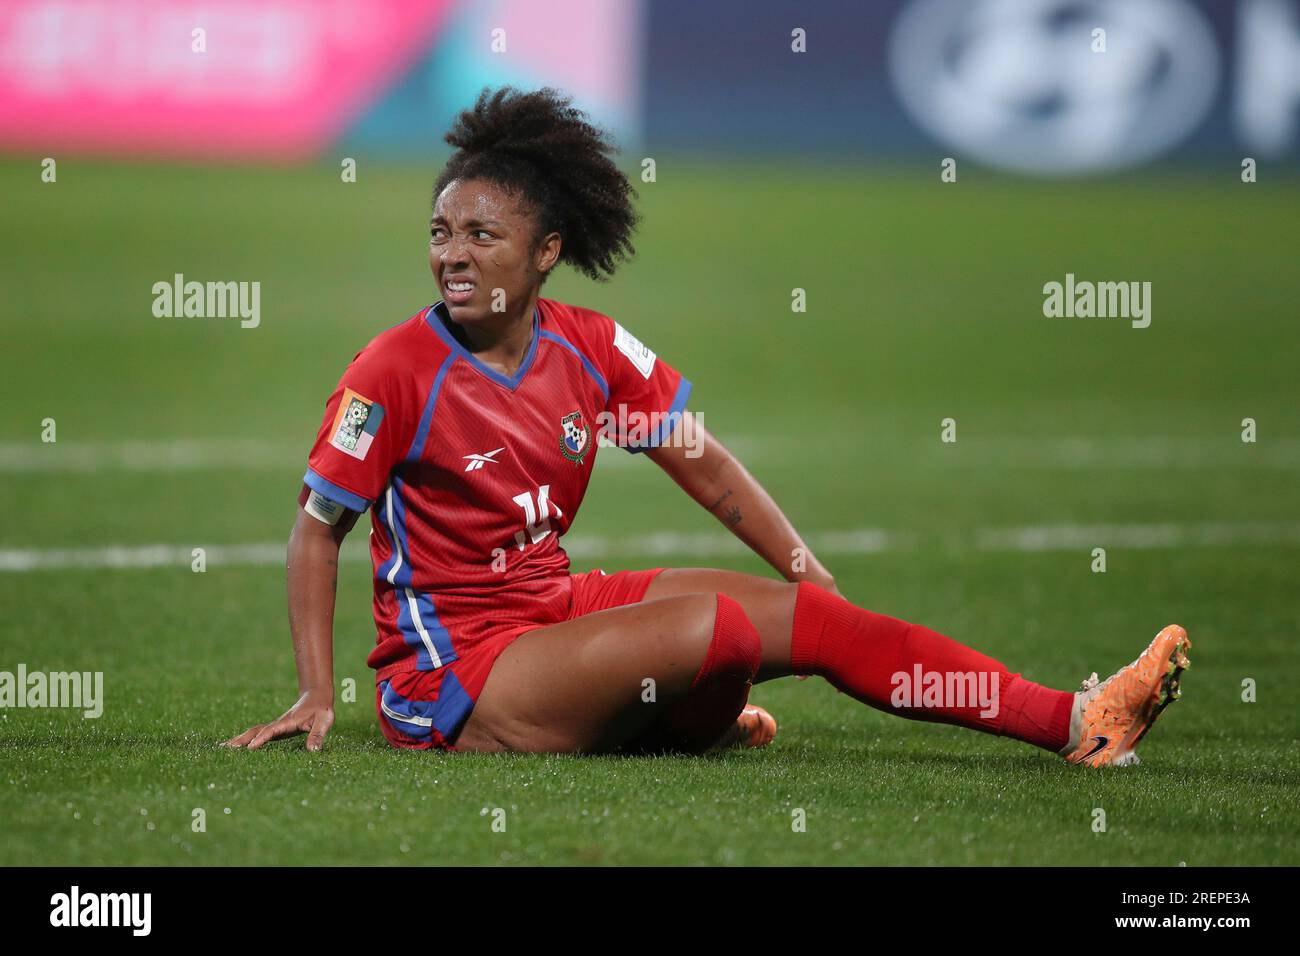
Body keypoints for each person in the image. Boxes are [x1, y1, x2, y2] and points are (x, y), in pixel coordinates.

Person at [224, 88, 1190, 765]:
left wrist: (810, 577)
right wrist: (317, 691)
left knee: (805, 620)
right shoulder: (393, 368)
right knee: (715, 631)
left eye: (482, 235)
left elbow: (705, 465)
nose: (453, 255)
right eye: (441, 232)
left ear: (547, 251)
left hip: (551, 608)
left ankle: (1076, 721)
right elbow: (318, 530)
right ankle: (687, 724)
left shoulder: (588, 345)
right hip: (456, 673)